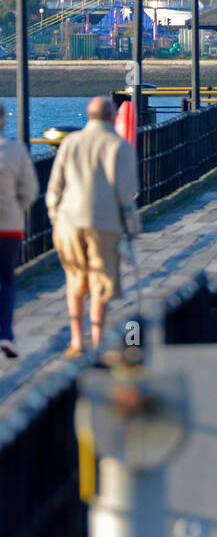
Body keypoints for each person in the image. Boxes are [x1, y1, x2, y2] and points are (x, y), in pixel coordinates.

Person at [46, 96, 140, 359]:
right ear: (112, 117)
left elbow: (55, 187)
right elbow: (127, 192)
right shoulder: (118, 146)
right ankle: (97, 342)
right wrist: (133, 226)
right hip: (104, 222)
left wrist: (56, 216)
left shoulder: (71, 143)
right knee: (101, 281)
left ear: (88, 117)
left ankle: (77, 339)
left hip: (69, 222)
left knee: (74, 279)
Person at [0, 101, 39, 359]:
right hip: (9, 227)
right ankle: (5, 334)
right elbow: (31, 190)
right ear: (3, 121)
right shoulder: (15, 150)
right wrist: (17, 208)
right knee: (6, 281)